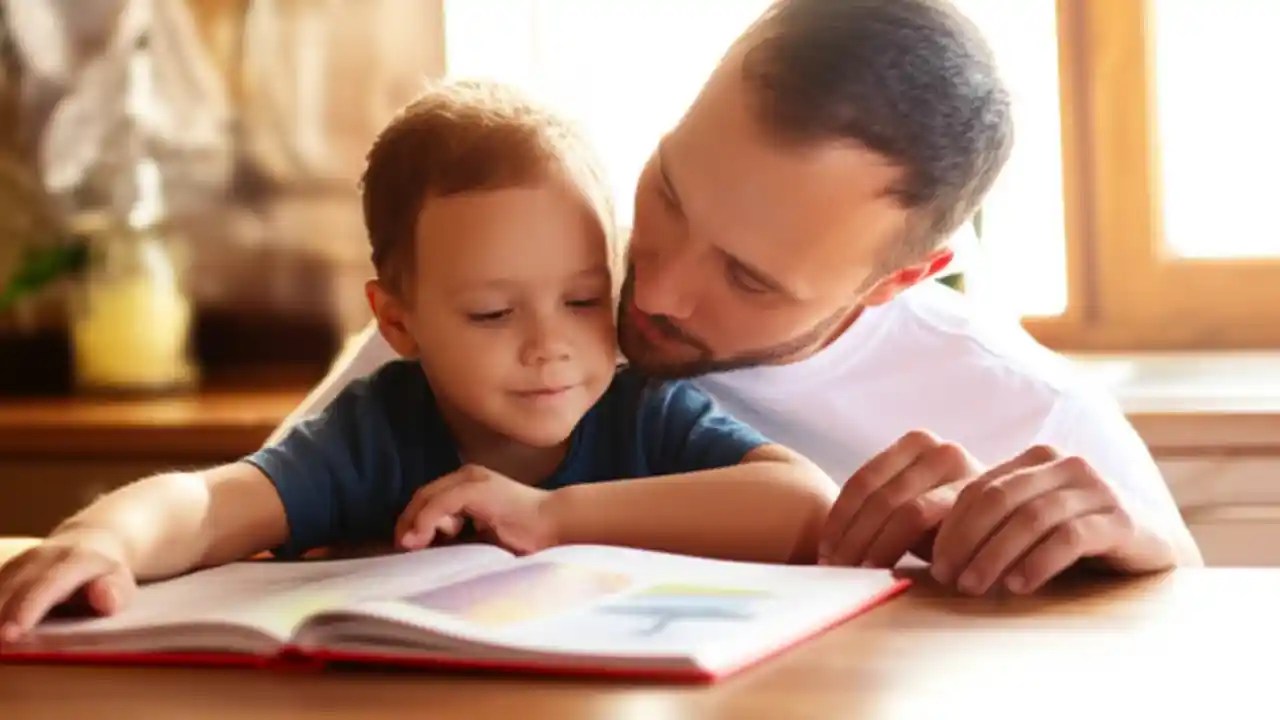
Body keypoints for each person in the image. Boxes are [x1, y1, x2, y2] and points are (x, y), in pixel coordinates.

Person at [280, 0, 1204, 597]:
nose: (658, 288)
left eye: (749, 277)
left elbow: (1189, 654)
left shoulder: (1024, 411)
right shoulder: (510, 298)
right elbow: (271, 542)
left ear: (897, 282)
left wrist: (1142, 558)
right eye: (670, 192)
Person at [0, 80, 838, 643]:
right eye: (492, 313)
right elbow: (212, 505)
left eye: (584, 300)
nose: (549, 342)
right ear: (397, 323)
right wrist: (103, 537)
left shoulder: (641, 411)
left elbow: (801, 505)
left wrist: (553, 517)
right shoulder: (382, 430)